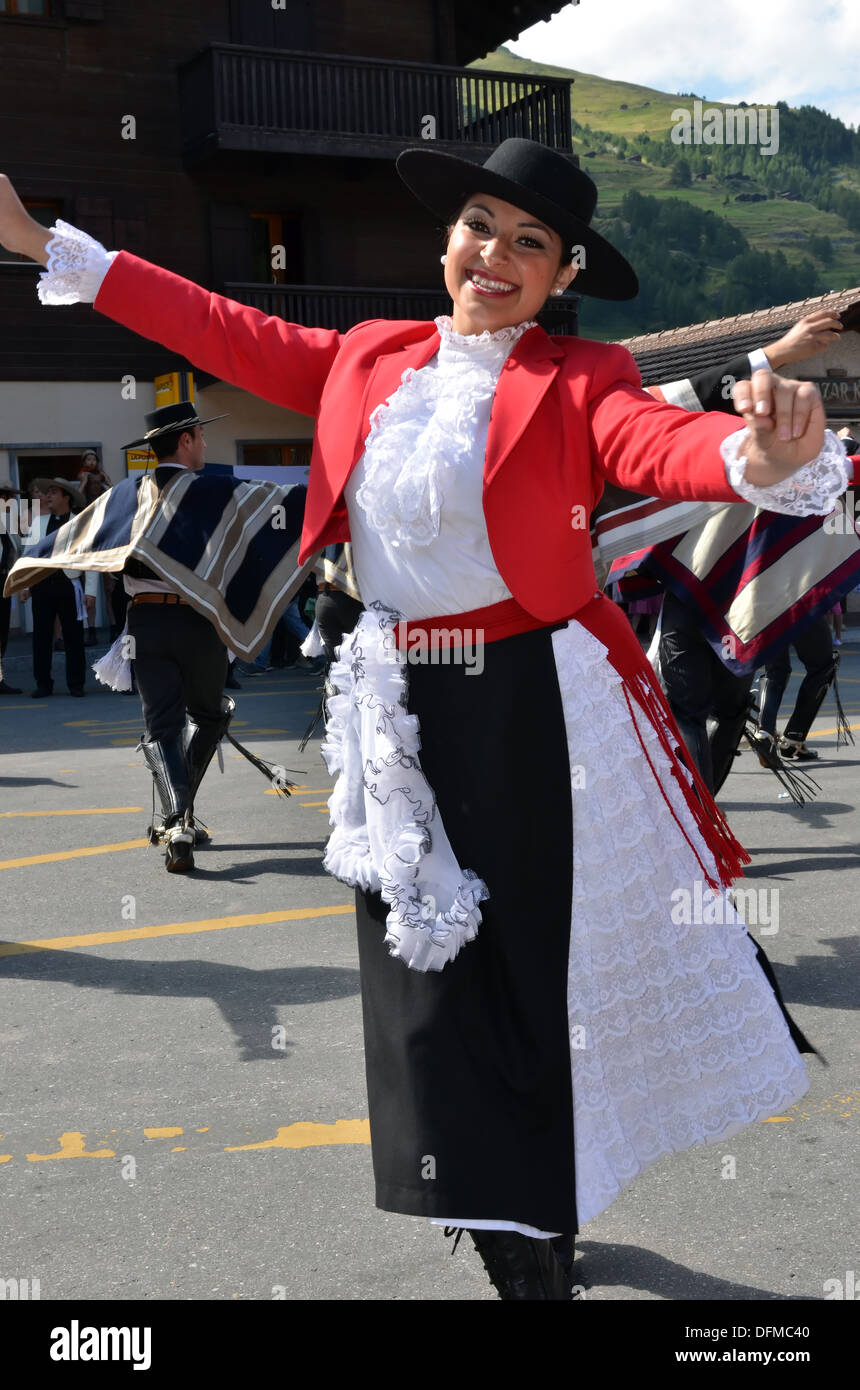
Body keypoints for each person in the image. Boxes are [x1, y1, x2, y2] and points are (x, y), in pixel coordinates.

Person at [0, 142, 849, 1299]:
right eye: (478, 225)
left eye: (528, 243)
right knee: (425, 972)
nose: (493, 255)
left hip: (534, 699)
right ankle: (497, 1212)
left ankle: (531, 1207)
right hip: (395, 702)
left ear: (561, 275)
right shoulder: (367, 357)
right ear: (445, 240)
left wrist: (758, 454)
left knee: (538, 970)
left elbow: (660, 444)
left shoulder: (582, 375)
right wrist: (46, 246)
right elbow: (216, 325)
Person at [17, 477, 99, 697]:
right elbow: (28, 556)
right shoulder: (38, 523)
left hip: (68, 585)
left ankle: (76, 683)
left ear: (66, 497)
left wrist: (91, 591)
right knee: (41, 637)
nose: (48, 496)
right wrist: (24, 584)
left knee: (73, 637)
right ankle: (43, 683)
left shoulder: (80, 524)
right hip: (42, 585)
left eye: (54, 492)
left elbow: (89, 559)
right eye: (48, 492)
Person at [0, 472, 23, 693]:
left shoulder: (7, 525)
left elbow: (16, 551)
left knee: (2, 633)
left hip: (3, 584)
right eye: (5, 496)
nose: (9, 501)